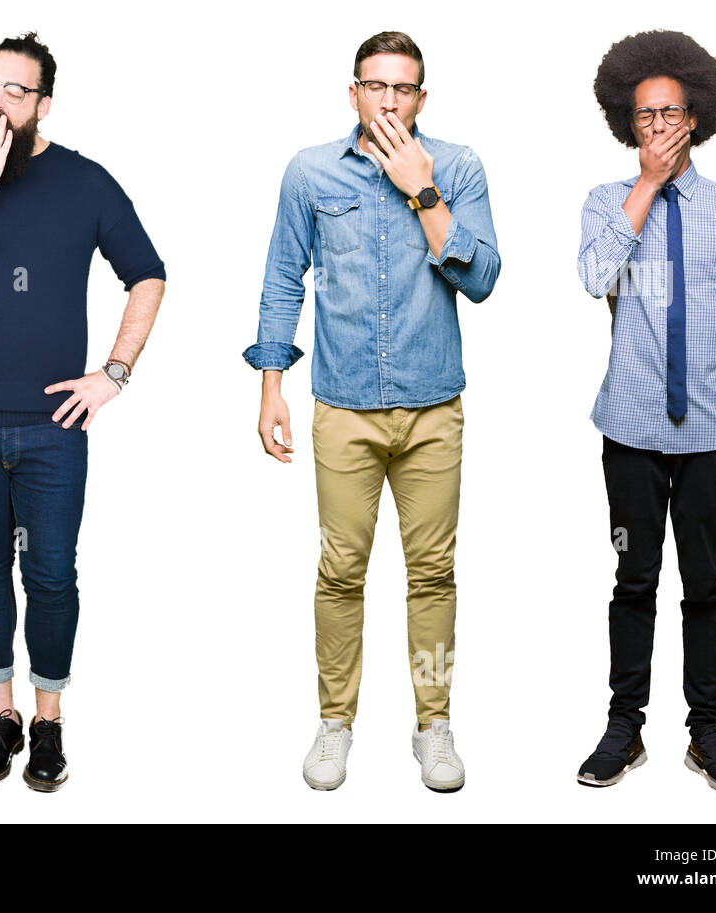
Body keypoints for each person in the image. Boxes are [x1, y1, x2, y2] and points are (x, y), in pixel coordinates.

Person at [0, 32, 166, 792]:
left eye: (17, 90)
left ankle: (48, 720)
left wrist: (113, 373)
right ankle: (1, 713)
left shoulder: (85, 183)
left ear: (43, 105)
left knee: (50, 573)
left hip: (55, 425)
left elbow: (147, 274)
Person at [243, 31, 500, 792]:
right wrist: (269, 387)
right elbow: (282, 278)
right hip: (343, 408)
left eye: (404, 88)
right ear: (352, 91)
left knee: (432, 573)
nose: (389, 100)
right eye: (376, 86)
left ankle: (434, 723)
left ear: (423, 97)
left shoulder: (456, 167)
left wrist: (423, 189)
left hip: (431, 410)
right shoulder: (309, 172)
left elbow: (484, 277)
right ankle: (334, 722)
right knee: (341, 569)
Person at [575, 30, 716, 794]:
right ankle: (624, 726)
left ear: (694, 117)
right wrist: (644, 189)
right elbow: (594, 273)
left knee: (706, 583)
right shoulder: (606, 202)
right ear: (628, 125)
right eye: (643, 116)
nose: (656, 127)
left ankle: (707, 729)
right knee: (633, 579)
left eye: (669, 113)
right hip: (628, 430)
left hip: (708, 436)